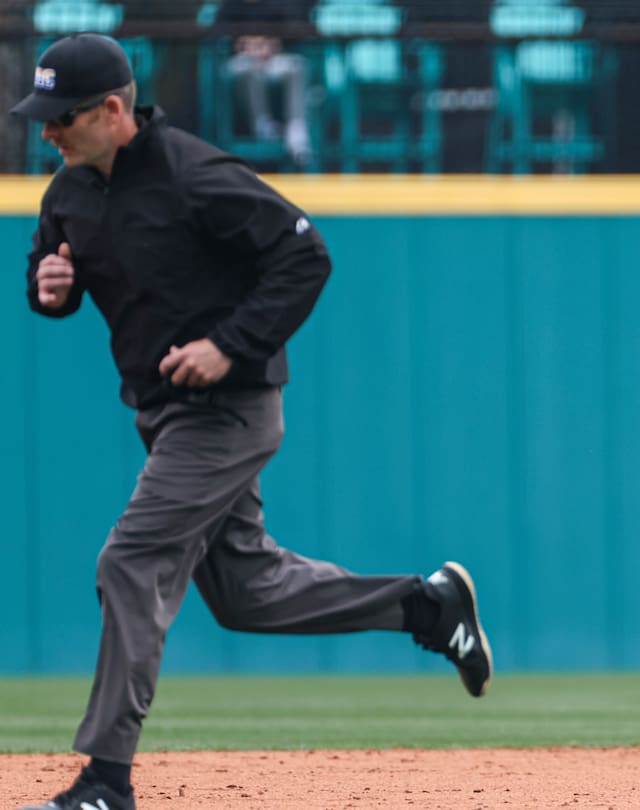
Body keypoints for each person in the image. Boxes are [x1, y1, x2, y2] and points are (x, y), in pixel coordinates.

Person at [11, 33, 492, 810]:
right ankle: (426, 606)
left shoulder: (194, 174)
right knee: (246, 594)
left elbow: (305, 256)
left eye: (62, 118)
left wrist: (229, 346)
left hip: (228, 413)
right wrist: (48, 285)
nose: (49, 132)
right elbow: (49, 275)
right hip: (163, 416)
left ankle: (105, 782)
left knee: (129, 563)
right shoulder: (68, 190)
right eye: (43, 118)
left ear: (112, 109)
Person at [214, 0, 314, 167]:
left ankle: (297, 132)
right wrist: (241, 44)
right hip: (240, 61)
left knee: (297, 66)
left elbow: (296, 30)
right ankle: (262, 124)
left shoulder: (277, 5)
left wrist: (272, 43)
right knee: (248, 69)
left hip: (272, 59)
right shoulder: (230, 5)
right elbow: (214, 33)